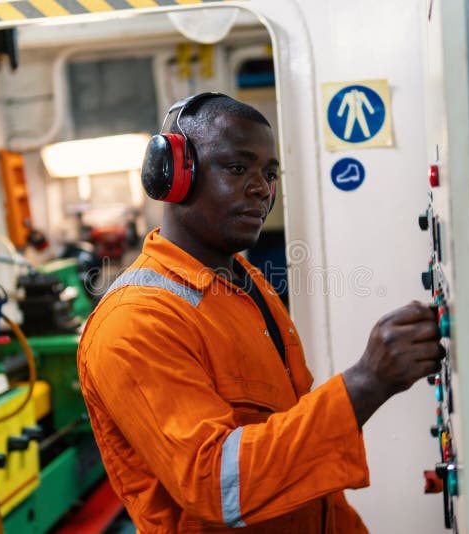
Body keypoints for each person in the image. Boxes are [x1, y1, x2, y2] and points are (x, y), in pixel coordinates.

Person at [77, 93, 444, 533]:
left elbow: (290, 450)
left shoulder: (245, 284)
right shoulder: (136, 321)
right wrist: (366, 382)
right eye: (237, 168)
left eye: (269, 174)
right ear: (173, 176)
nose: (261, 188)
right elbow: (216, 484)